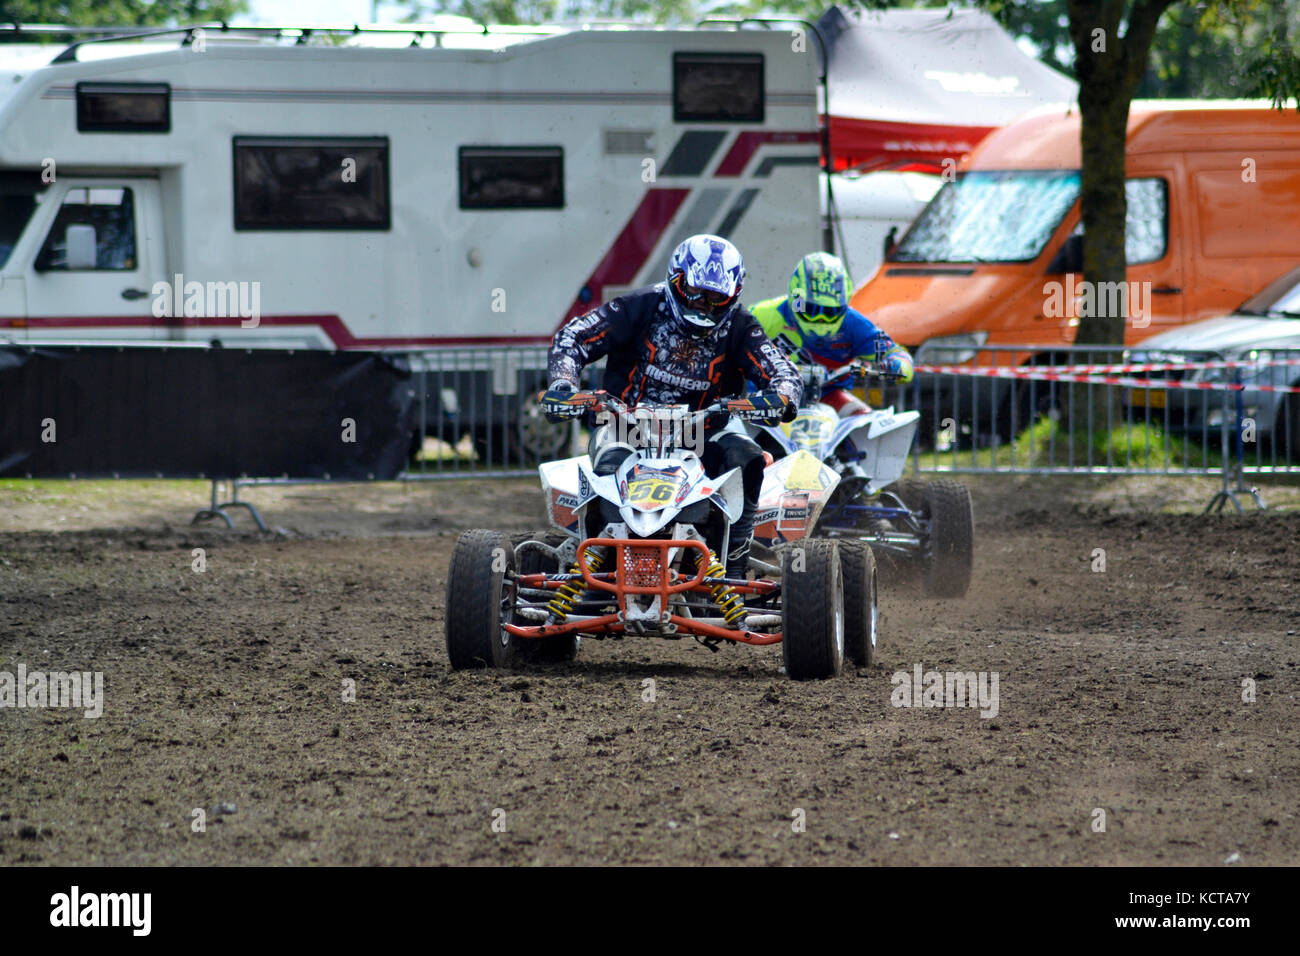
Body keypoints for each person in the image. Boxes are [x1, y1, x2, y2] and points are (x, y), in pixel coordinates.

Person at [540, 234, 801, 579]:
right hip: (626, 425)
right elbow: (573, 337)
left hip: (706, 429)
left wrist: (780, 396)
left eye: (715, 298)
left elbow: (784, 372)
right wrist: (563, 384)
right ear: (675, 280)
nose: (702, 306)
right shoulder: (638, 307)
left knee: (748, 457)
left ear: (732, 295)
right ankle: (594, 576)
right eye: (694, 293)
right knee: (608, 467)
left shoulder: (740, 326)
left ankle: (733, 562)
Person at [750, 251, 914, 417]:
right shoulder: (762, 315)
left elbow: (892, 350)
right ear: (796, 298)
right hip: (765, 395)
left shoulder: (854, 323)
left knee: (866, 425)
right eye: (812, 310)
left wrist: (898, 364)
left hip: (827, 396)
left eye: (829, 312)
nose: (820, 320)